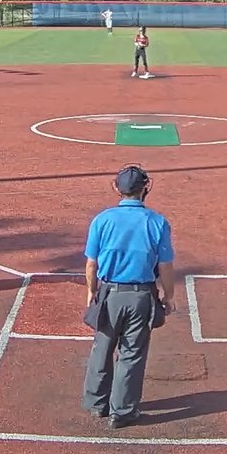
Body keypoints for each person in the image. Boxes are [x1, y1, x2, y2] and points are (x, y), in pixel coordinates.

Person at [81, 164, 176, 429]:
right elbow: (165, 266)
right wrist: (169, 296)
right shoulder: (157, 222)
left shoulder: (102, 220)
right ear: (145, 188)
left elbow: (92, 264)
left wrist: (91, 290)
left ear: (117, 188)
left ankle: (97, 403)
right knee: (132, 353)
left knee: (102, 347)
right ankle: (122, 411)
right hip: (141, 295)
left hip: (109, 293)